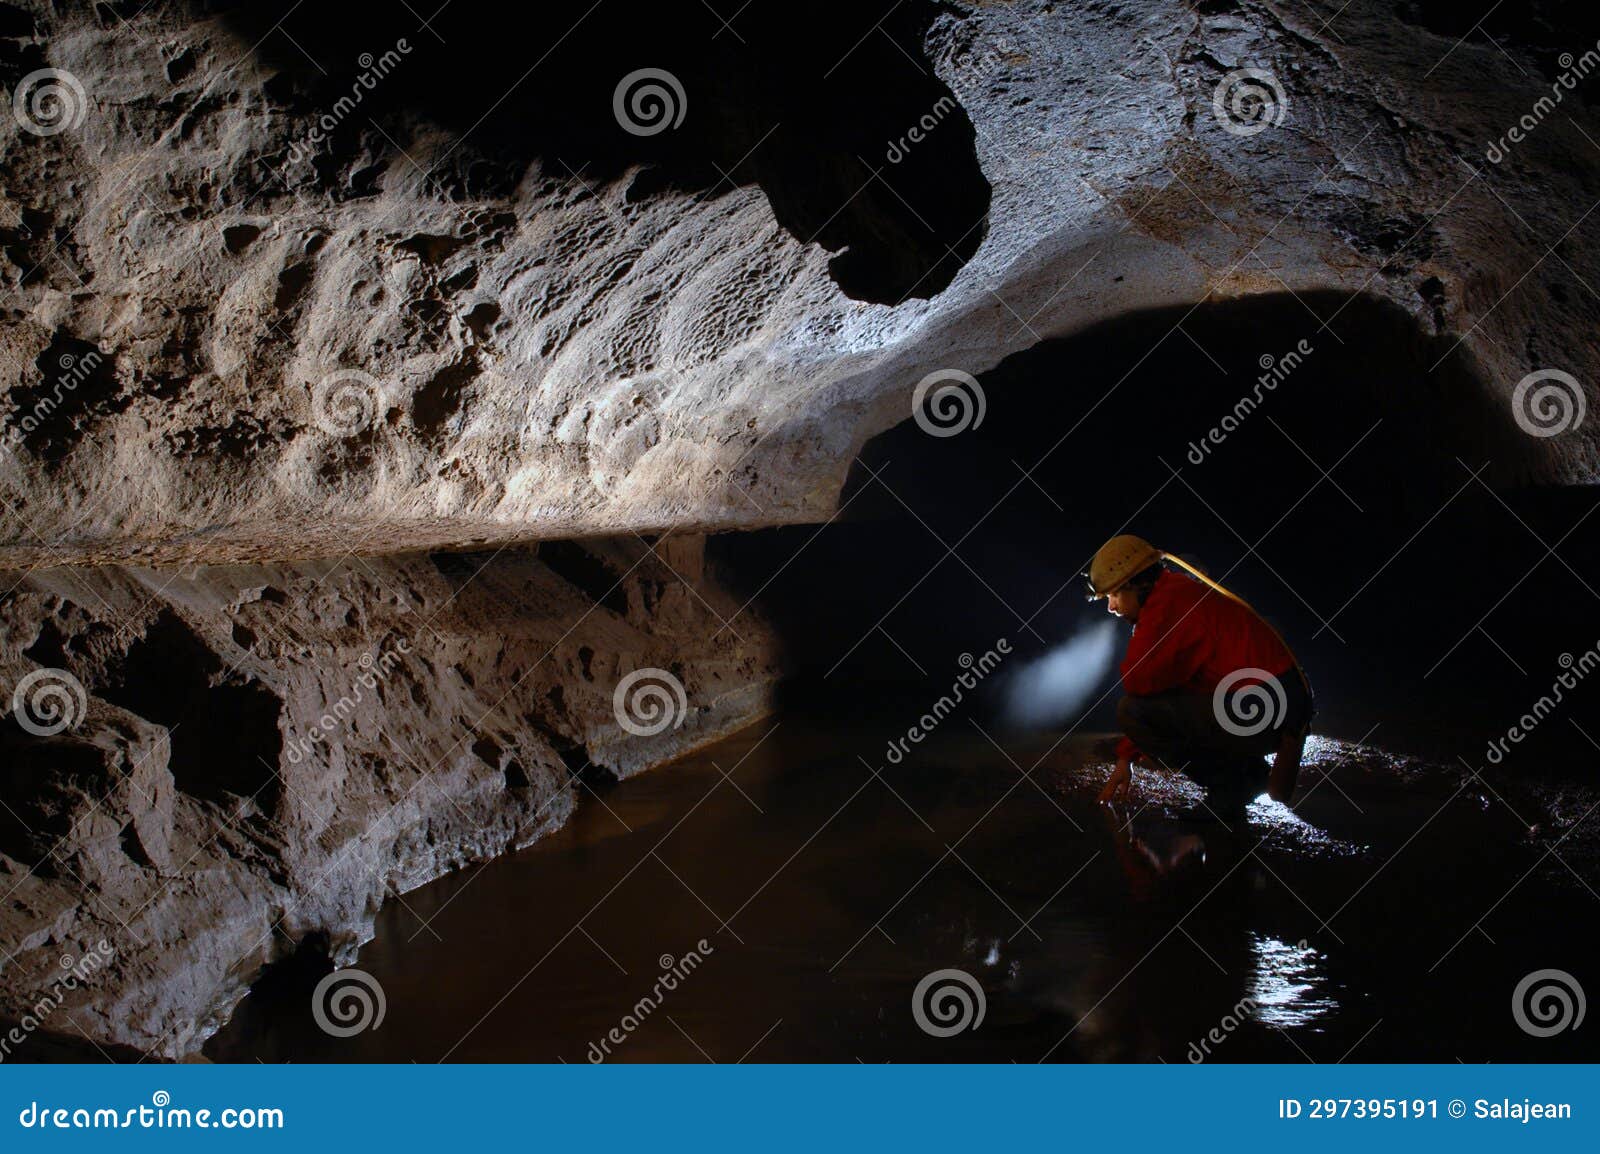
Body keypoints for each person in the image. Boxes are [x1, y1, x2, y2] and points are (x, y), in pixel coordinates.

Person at [1084, 534, 1313, 823]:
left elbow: (1136, 682)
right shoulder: (1175, 593)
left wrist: (1142, 631)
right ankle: (1248, 774)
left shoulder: (1168, 605)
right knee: (1156, 703)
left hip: (1266, 705)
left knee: (1131, 711)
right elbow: (1167, 687)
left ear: (1138, 584)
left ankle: (1233, 784)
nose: (1112, 607)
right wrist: (1126, 757)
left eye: (1114, 595)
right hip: (1271, 703)